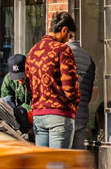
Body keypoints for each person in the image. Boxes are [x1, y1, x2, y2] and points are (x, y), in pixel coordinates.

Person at [27, 12, 81, 149]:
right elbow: (69, 89)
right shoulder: (63, 50)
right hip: (59, 115)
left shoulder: (33, 51)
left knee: (44, 161)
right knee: (59, 161)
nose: (69, 40)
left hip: (38, 115)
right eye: (70, 36)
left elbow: (29, 87)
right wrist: (75, 102)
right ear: (64, 30)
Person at [70, 38, 97, 150]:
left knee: (63, 154)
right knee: (77, 152)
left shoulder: (62, 53)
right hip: (81, 114)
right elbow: (89, 92)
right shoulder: (88, 57)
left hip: (65, 115)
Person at [0, 53, 32, 132]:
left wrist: (29, 111)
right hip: (18, 116)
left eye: (22, 75)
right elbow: (6, 102)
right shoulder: (8, 79)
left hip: (34, 114)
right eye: (16, 76)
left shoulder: (34, 78)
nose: (19, 79)